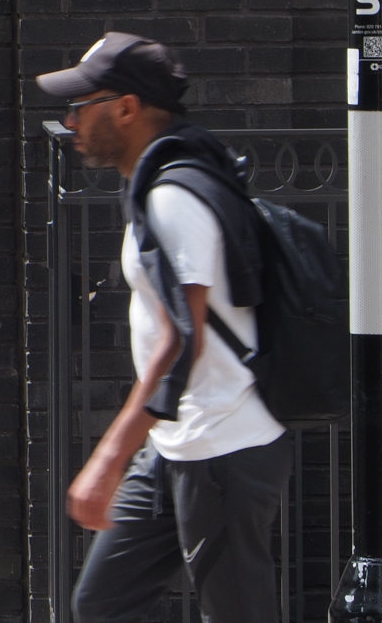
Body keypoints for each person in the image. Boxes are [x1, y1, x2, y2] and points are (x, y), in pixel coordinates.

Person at [39, 32, 289, 623]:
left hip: (224, 444)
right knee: (103, 602)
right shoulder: (160, 179)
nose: (70, 121)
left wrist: (108, 458)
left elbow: (184, 339)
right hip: (178, 444)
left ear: (126, 108)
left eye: (81, 105)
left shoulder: (177, 196)